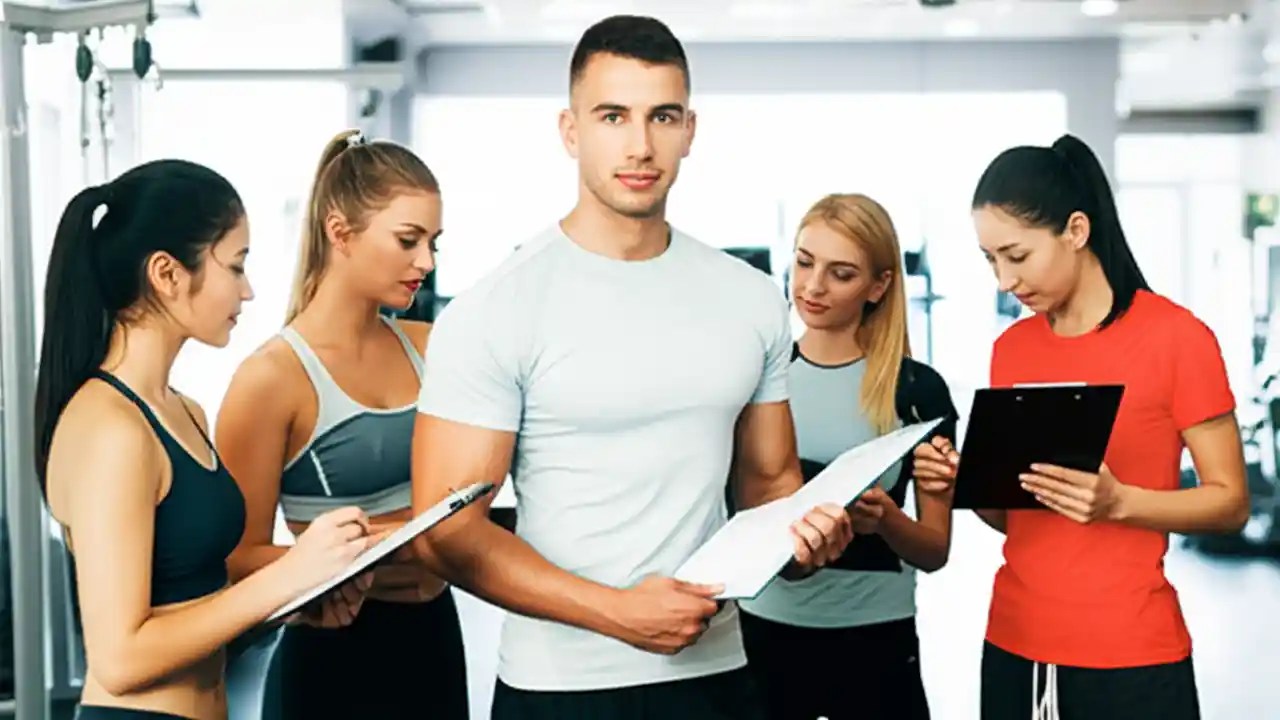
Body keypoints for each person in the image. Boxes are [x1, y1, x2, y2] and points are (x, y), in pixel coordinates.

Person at [408, 14, 853, 720]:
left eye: (663, 116)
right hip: (558, 688)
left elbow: (770, 484)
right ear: (570, 130)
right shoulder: (496, 308)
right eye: (613, 116)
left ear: (690, 130)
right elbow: (446, 533)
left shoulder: (749, 299)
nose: (640, 145)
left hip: (717, 672)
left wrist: (803, 544)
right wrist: (617, 613)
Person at [913, 134, 1250, 720]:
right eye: (990, 260)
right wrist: (965, 482)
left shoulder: (1177, 338)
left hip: (1132, 653)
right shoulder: (1012, 350)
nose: (1004, 280)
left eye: (1017, 256)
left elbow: (1231, 503)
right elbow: (1015, 519)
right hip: (1015, 644)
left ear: (1075, 230)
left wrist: (1120, 503)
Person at [34, 160, 372, 720]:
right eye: (235, 266)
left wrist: (295, 598)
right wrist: (284, 577)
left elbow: (193, 608)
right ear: (167, 274)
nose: (248, 290)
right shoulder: (111, 429)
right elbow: (120, 659)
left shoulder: (184, 412)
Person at [215, 130, 467, 719]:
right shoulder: (271, 379)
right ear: (340, 232)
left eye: (433, 243)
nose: (426, 263)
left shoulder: (434, 348)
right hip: (330, 660)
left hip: (432, 643)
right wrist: (365, 555)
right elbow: (234, 561)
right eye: (407, 240)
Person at [738, 193, 958, 720]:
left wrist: (887, 520)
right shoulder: (753, 379)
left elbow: (934, 551)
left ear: (878, 286)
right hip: (765, 631)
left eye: (840, 274)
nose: (813, 287)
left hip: (876, 639)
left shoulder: (918, 392)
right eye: (804, 262)